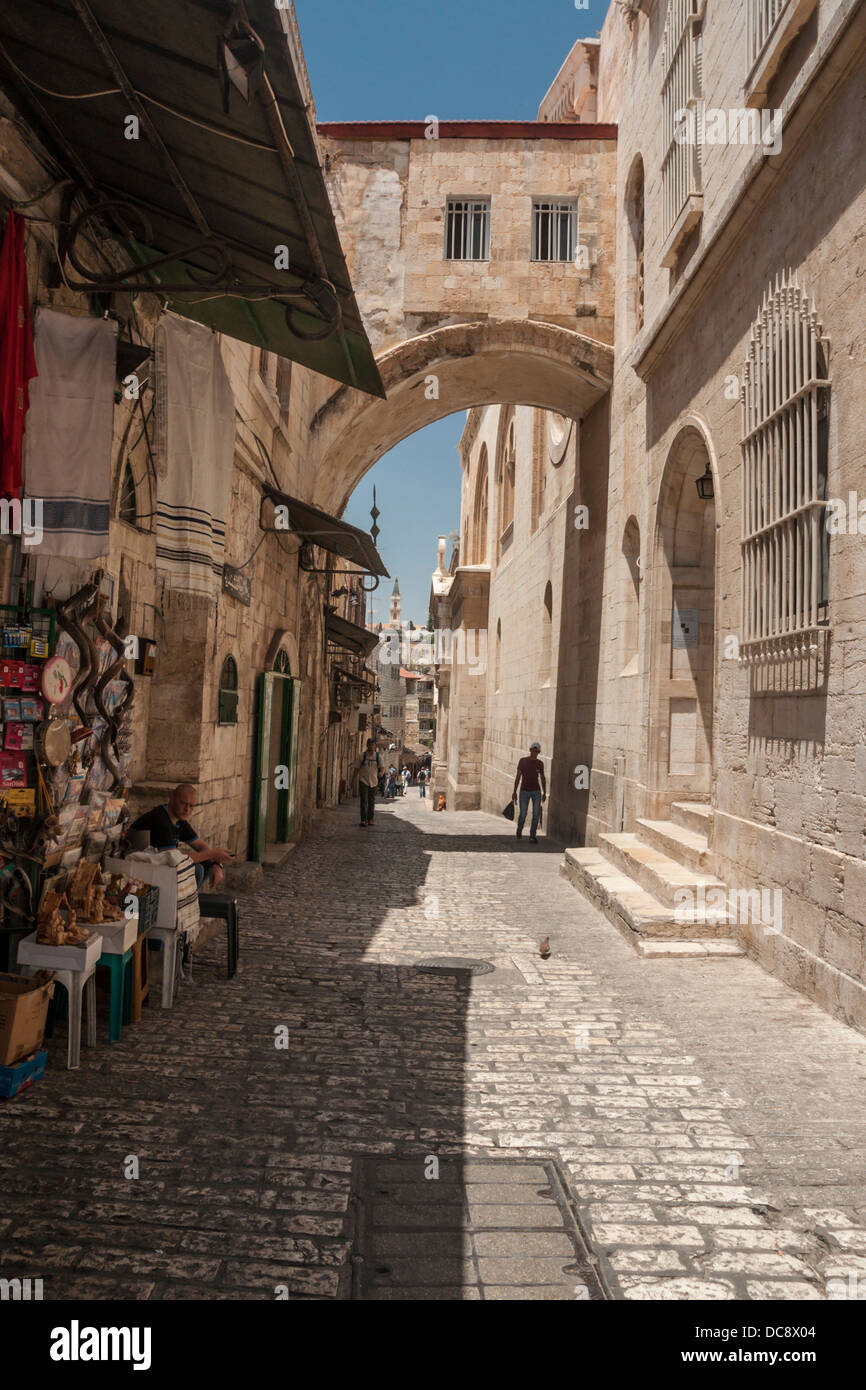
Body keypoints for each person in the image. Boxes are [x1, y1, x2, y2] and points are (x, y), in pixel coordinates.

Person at [129, 783, 234, 887]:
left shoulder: (179, 819)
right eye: (183, 803)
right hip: (140, 869)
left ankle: (185, 900)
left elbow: (201, 846)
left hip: (161, 867)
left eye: (191, 806)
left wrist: (215, 864)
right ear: (172, 798)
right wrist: (213, 854)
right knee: (197, 870)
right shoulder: (161, 819)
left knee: (206, 864)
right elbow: (175, 860)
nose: (187, 809)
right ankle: (178, 902)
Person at [512, 741, 547, 843]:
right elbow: (518, 777)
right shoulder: (522, 761)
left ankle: (532, 835)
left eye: (537, 751)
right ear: (530, 750)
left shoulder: (540, 764)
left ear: (539, 752)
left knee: (536, 814)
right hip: (524, 791)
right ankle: (519, 829)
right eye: (533, 750)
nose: (534, 752)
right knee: (523, 812)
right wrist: (514, 791)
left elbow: (542, 777)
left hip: (536, 792)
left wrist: (544, 792)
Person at [353, 738, 384, 826]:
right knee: (363, 801)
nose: (371, 746)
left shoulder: (378, 757)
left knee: (371, 801)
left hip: (374, 781)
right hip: (363, 781)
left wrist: (381, 772)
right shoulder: (362, 756)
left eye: (372, 745)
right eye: (369, 744)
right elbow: (356, 768)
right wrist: (353, 780)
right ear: (367, 745)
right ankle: (363, 819)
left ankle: (370, 819)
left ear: (375, 746)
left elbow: (382, 767)